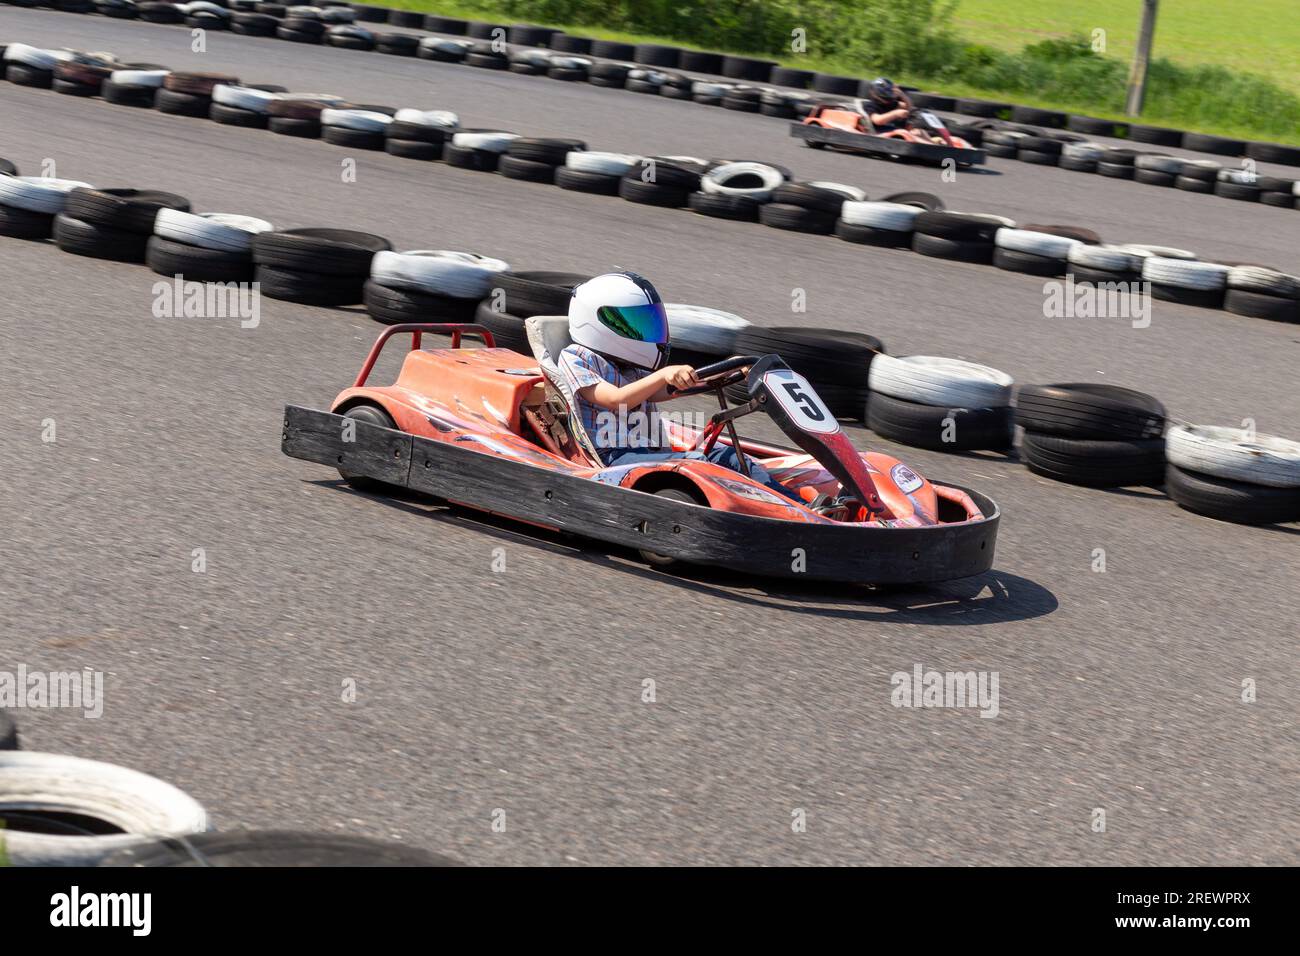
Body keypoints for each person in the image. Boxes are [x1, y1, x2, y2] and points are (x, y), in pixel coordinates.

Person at [557, 272, 800, 500]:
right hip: (615, 457)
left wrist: (727, 370)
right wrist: (663, 375)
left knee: (730, 457)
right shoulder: (576, 359)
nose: (643, 333)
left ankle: (803, 508)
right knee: (699, 466)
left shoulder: (628, 364)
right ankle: (771, 512)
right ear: (597, 321)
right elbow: (616, 400)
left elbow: (662, 392)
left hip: (645, 450)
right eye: (633, 325)